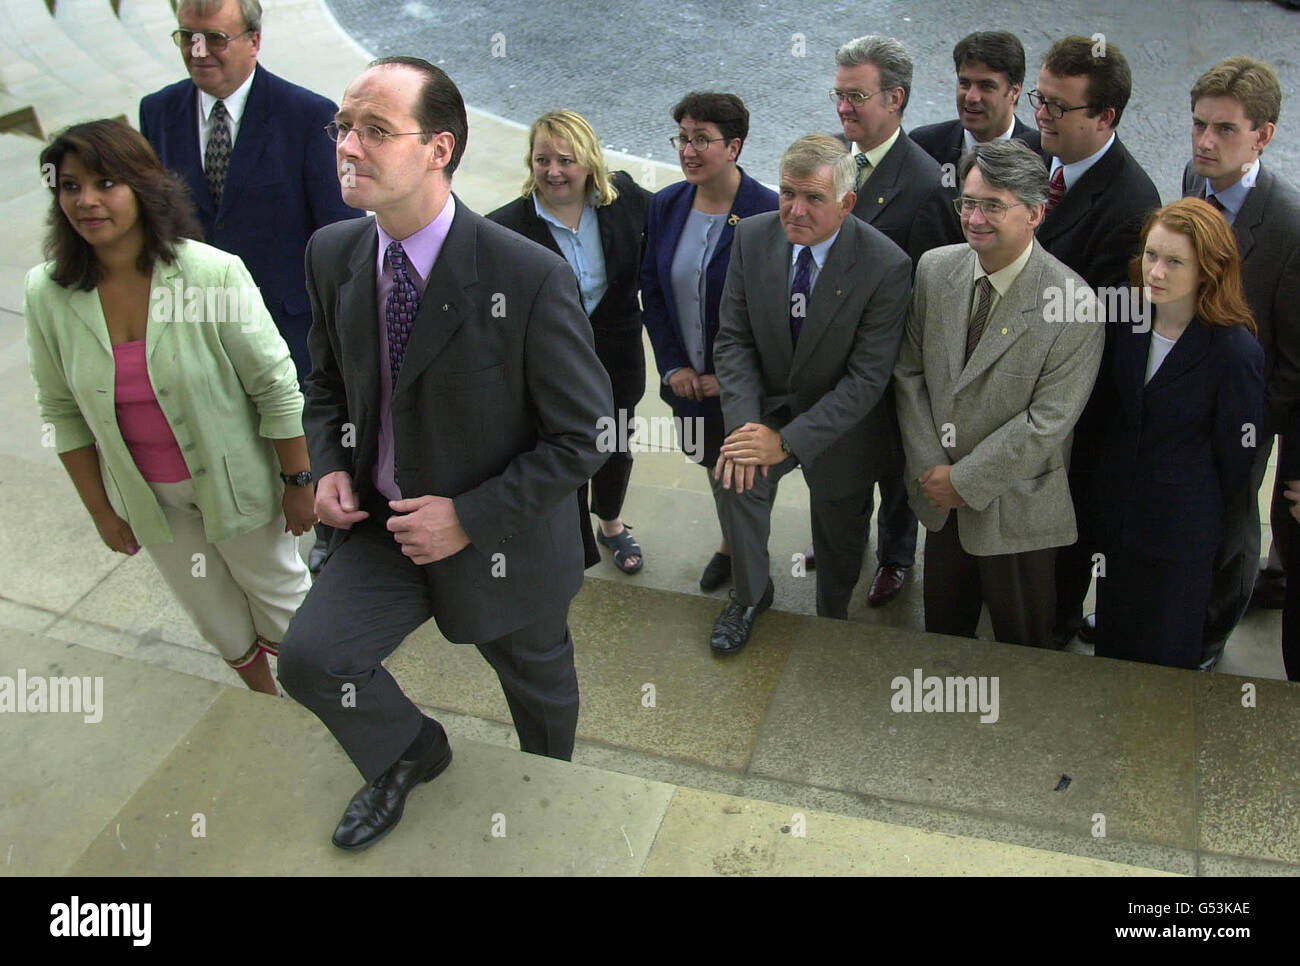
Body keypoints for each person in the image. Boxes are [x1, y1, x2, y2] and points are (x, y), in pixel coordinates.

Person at [276, 58, 613, 852]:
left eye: (375, 131)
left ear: (439, 149)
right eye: (343, 129)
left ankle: (545, 803)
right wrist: (326, 466)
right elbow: (323, 384)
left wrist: (469, 516)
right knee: (311, 661)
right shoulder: (332, 252)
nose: (348, 148)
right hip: (382, 529)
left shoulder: (526, 276)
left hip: (501, 543)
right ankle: (408, 751)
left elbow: (586, 434)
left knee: (541, 699)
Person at [23, 119, 314, 696]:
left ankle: (334, 704)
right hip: (152, 500)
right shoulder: (47, 292)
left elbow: (276, 386)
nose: (87, 200)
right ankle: (264, 705)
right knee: (217, 618)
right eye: (71, 185)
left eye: (106, 183)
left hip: (242, 488)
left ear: (142, 187)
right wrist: (102, 511)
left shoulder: (211, 272)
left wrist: (298, 479)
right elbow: (60, 412)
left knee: (288, 612)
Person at [139, 0, 362, 573]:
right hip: (195, 325)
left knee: (304, 442)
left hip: (289, 329)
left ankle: (326, 537)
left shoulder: (308, 116)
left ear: (254, 41)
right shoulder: (157, 112)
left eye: (214, 38)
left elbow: (338, 236)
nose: (198, 52)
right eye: (185, 37)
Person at [894, 141, 1103, 647]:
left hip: (1016, 507)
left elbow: (1047, 424)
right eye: (968, 202)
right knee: (944, 632)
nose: (975, 218)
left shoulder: (1074, 305)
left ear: (1035, 213)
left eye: (993, 205)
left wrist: (964, 479)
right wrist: (932, 473)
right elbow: (909, 374)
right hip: (938, 499)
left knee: (1022, 645)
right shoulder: (934, 269)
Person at [708, 134, 911, 652]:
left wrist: (790, 441)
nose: (795, 211)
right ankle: (751, 595)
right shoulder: (752, 237)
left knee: (840, 530)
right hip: (768, 405)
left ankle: (832, 615)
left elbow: (867, 379)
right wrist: (745, 427)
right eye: (786, 193)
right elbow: (733, 339)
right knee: (736, 474)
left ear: (847, 204)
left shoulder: (885, 265)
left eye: (813, 198)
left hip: (841, 424)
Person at [1028, 36, 1162, 650]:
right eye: (1040, 98)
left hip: (1074, 417)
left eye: (1059, 107)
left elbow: (1103, 333)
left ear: (1105, 117)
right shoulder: (1029, 156)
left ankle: (1050, 630)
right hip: (1008, 392)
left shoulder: (1134, 205)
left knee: (1062, 546)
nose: (1042, 116)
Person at [1092, 199, 1264, 669]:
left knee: (1166, 661)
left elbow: (1238, 460)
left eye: (1174, 262)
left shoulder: (1234, 352)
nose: (1156, 271)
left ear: (1208, 269)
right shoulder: (1128, 319)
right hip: (1119, 521)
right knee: (1111, 648)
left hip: (1180, 535)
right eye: (1151, 255)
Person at [488, 110, 652, 574]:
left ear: (590, 160)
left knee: (616, 443)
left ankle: (612, 523)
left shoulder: (624, 200)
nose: (554, 171)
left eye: (566, 159)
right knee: (564, 448)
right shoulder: (506, 227)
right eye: (542, 159)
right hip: (552, 366)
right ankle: (573, 534)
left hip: (618, 357)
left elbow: (679, 219)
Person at [819, 34, 949, 606]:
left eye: (857, 96)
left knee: (896, 472)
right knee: (839, 467)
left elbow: (932, 294)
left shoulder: (924, 184)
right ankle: (840, 541)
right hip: (834, 362)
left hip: (892, 369)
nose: (844, 107)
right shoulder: (834, 161)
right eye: (838, 94)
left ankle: (896, 558)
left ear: (895, 99)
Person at [1181, 56, 1300, 669]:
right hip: (1185, 388)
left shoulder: (1290, 226)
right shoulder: (1194, 178)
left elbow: (1296, 360)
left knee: (1232, 526)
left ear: (1264, 135)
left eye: (1225, 129)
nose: (1205, 141)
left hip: (1244, 413)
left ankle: (1209, 634)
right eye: (1199, 123)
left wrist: (1248, 422)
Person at [640, 91, 778, 592]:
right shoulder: (667, 204)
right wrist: (673, 365)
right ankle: (730, 543)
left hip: (742, 389)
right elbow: (652, 291)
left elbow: (776, 313)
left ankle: (749, 578)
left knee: (745, 480)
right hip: (689, 385)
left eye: (702, 139)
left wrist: (732, 377)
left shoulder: (767, 212)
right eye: (682, 137)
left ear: (735, 146)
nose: (688, 150)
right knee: (712, 466)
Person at [909, 30, 1045, 248]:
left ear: (1015, 91)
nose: (971, 97)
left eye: (986, 86)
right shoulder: (924, 146)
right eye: (964, 83)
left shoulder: (1042, 157)